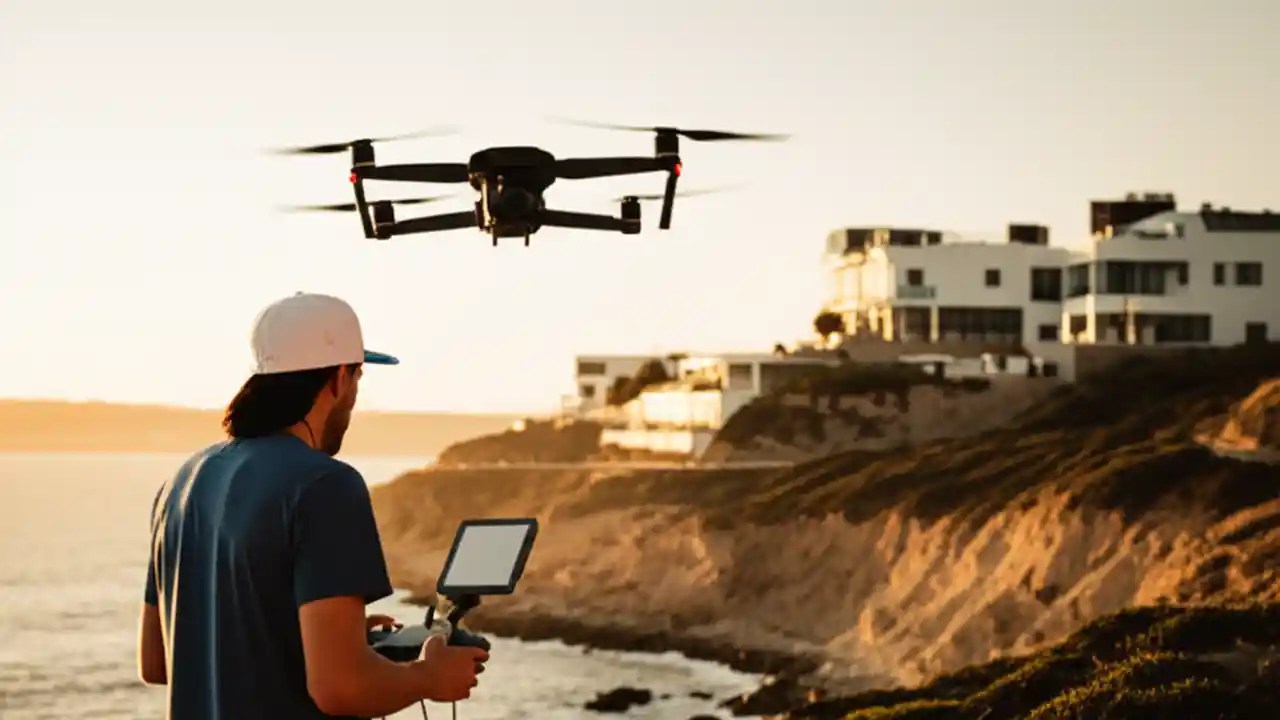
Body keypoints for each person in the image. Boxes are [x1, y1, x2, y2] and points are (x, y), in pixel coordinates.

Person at [136, 292, 487, 719]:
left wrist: (325, 639)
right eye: (358, 377)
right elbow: (342, 690)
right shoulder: (325, 485)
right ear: (340, 377)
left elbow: (157, 662)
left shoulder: (179, 484)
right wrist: (430, 677)